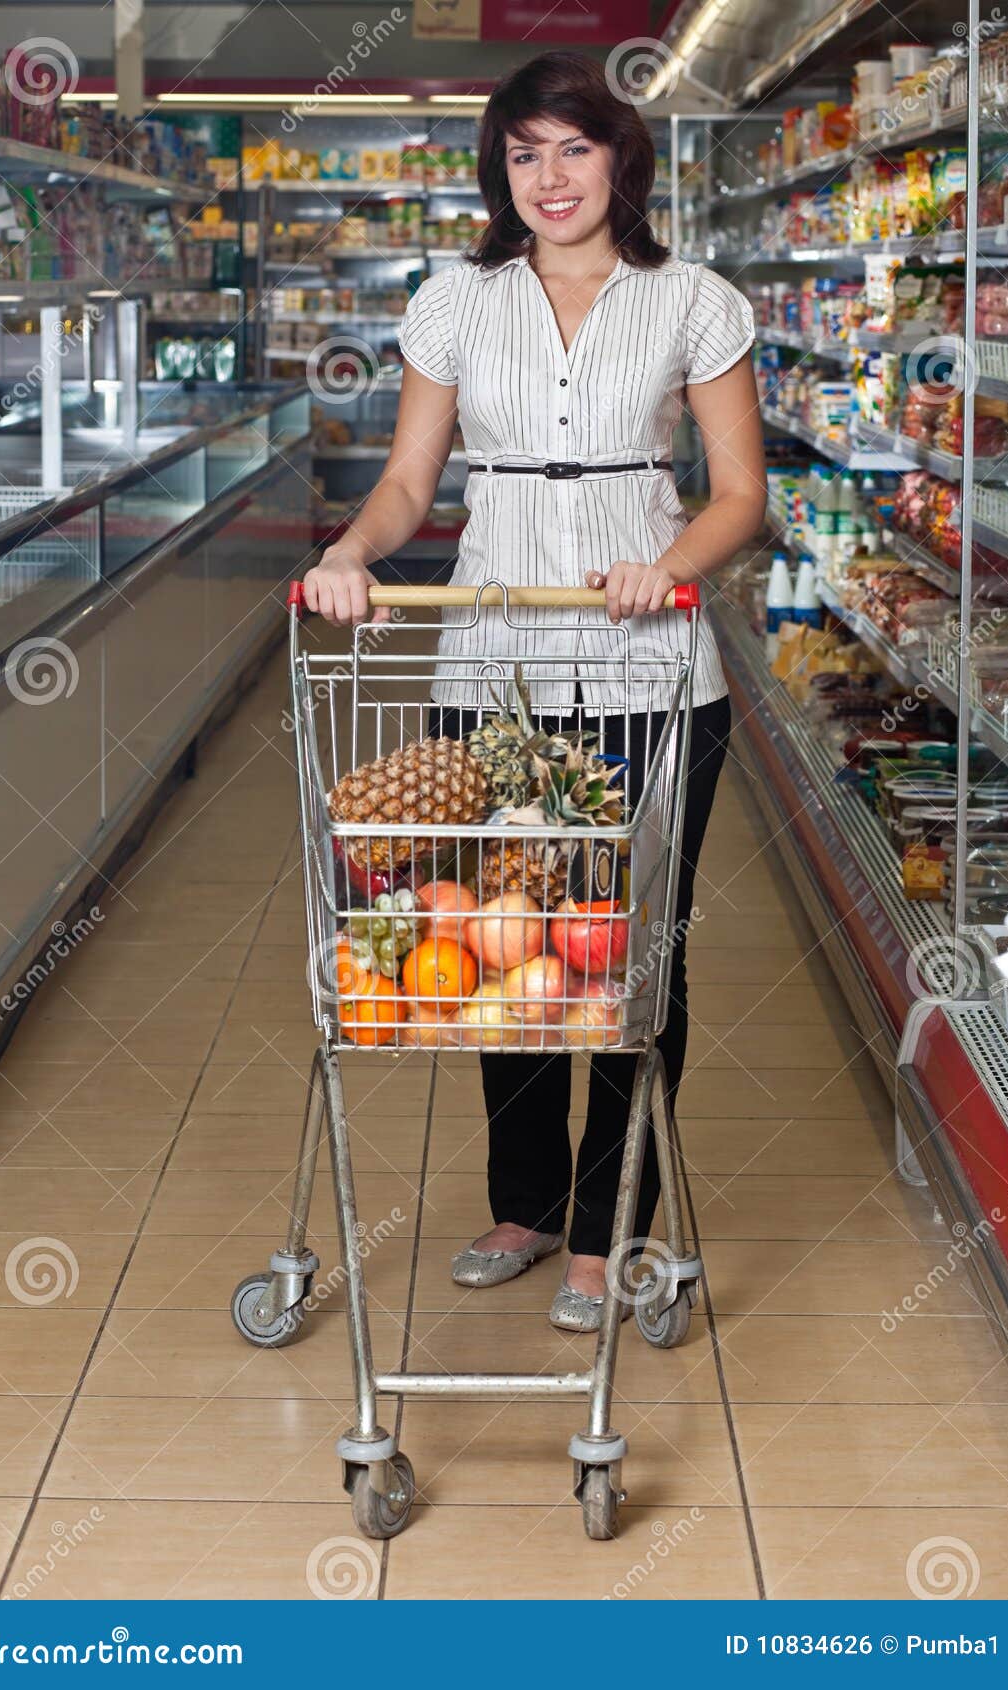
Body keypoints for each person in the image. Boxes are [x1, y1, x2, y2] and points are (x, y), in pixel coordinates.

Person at [303, 50, 766, 1331]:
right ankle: (522, 1203)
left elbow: (739, 497)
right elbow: (409, 481)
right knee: (500, 938)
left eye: (573, 148)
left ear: (621, 158)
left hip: (650, 671)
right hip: (493, 661)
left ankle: (606, 1229)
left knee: (628, 952)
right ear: (497, 171)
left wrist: (663, 566)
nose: (548, 177)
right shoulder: (457, 301)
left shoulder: (694, 302)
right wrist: (350, 554)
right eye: (523, 153)